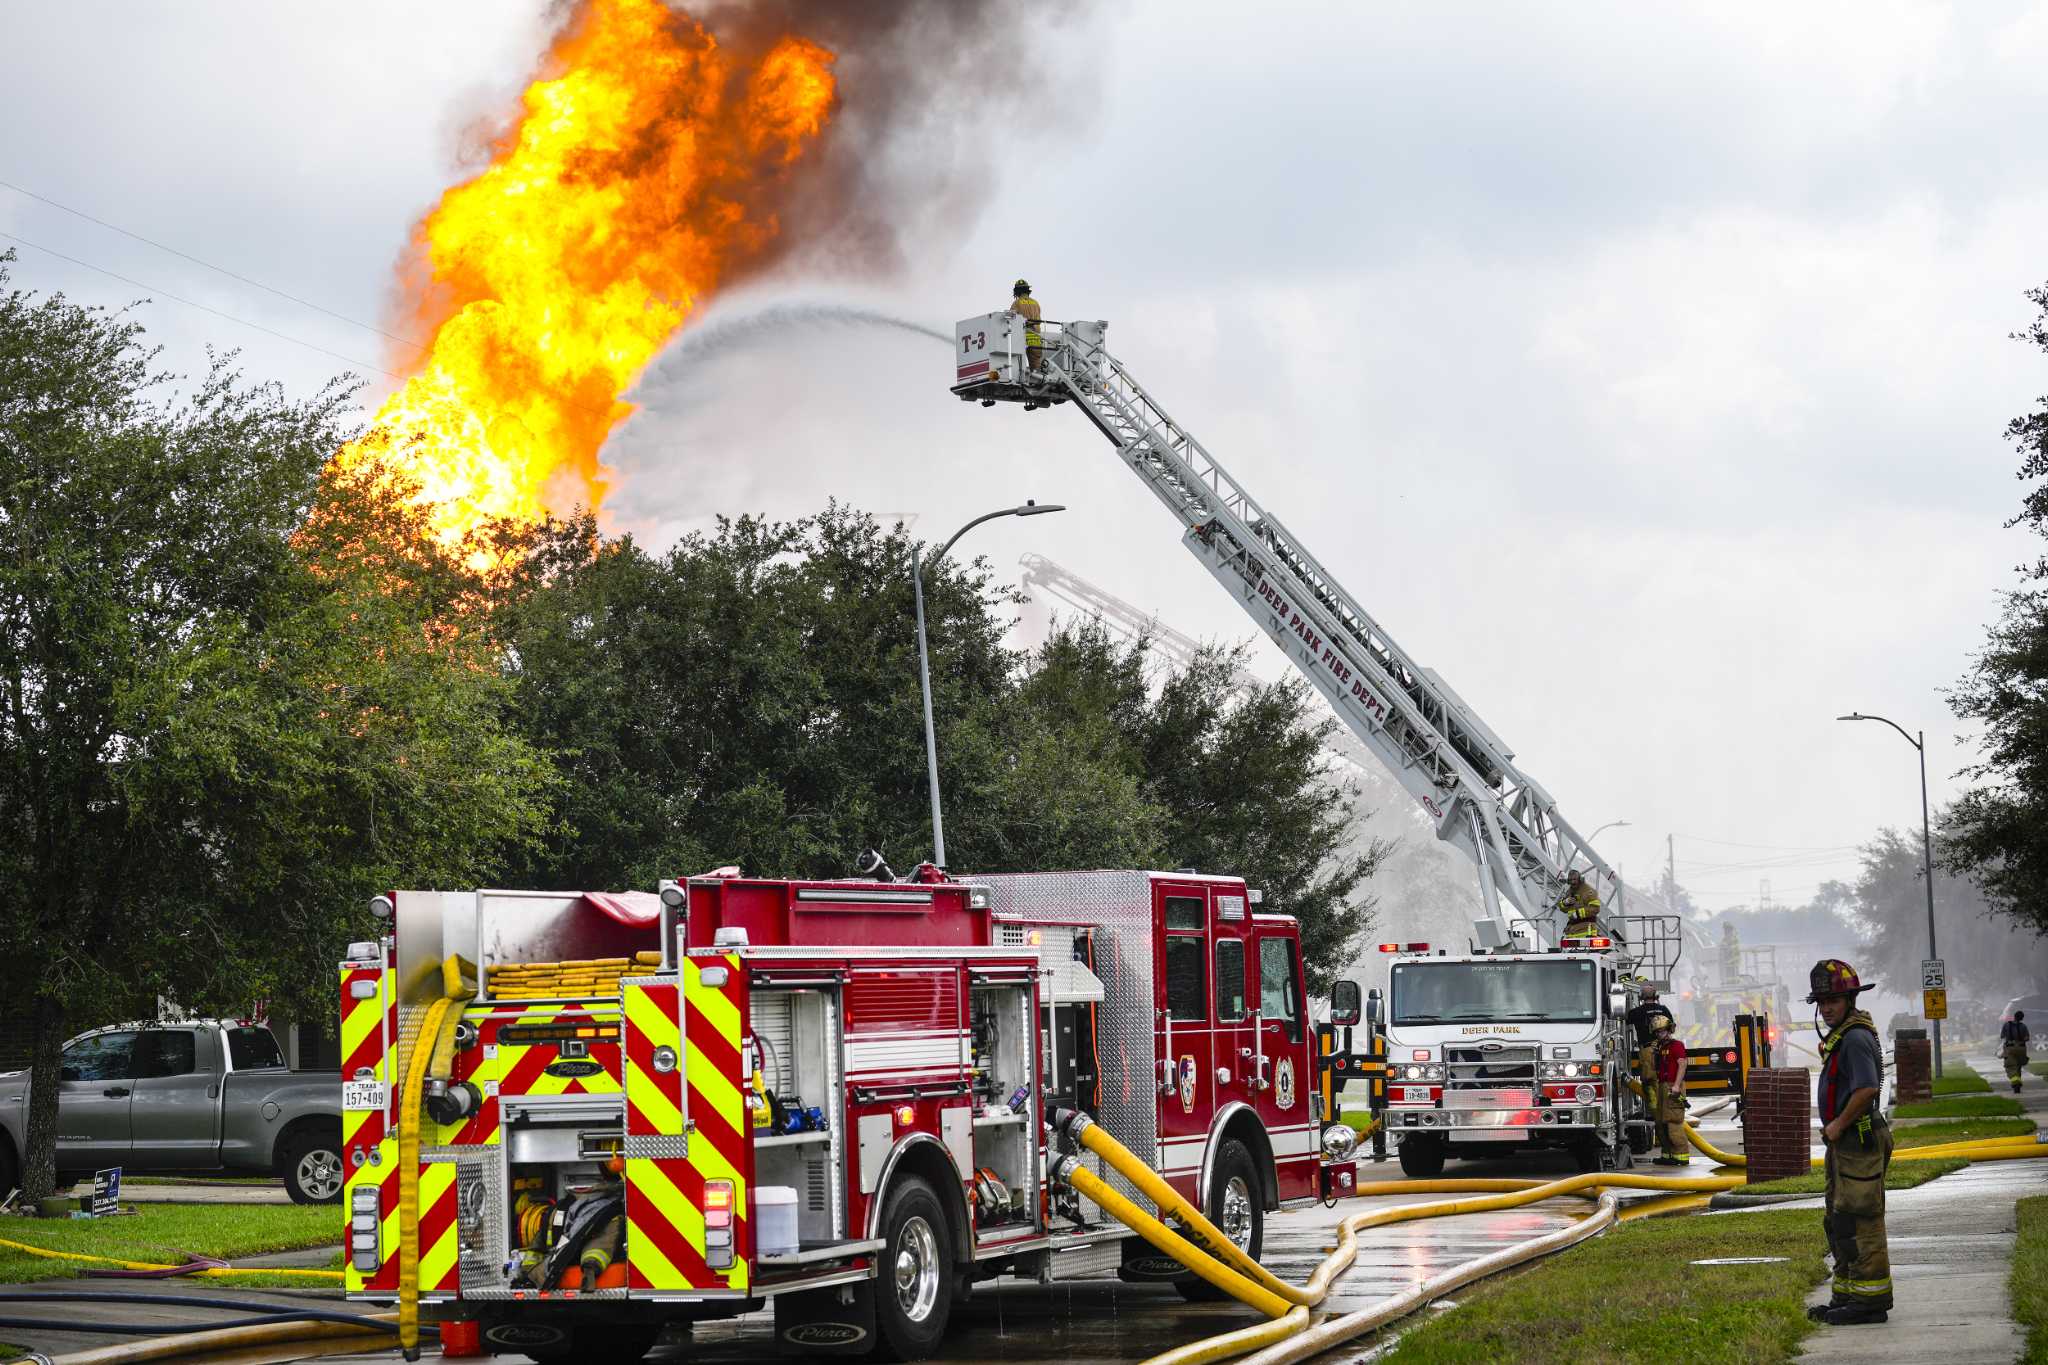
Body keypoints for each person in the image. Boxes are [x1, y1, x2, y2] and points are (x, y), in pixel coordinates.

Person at [1805, 958, 1892, 1327]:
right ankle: (1846, 1296)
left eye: (1834, 1001)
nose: (1826, 1009)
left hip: (1857, 1139)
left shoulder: (1854, 1038)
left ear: (1850, 1000)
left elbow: (1867, 1088)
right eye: (1822, 1003)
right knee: (1840, 1220)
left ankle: (1870, 1303)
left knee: (1860, 1221)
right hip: (1846, 1143)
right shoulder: (1844, 1035)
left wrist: (1838, 1125)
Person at [1647, 1010, 1689, 1165]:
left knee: (1673, 1122)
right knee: (1661, 1122)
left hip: (1673, 1086)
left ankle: (1681, 1156)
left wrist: (1677, 1085)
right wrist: (1654, 1053)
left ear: (1669, 1030)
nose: (1659, 1034)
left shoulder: (1677, 1045)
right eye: (1657, 1032)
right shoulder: (1659, 1048)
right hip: (1662, 1085)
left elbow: (1682, 1065)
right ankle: (1667, 1155)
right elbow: (1654, 1068)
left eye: (1662, 1031)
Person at [1007, 279, 1045, 377]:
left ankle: (1022, 377)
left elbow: (1011, 318)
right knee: (1036, 365)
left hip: (1022, 336)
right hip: (1036, 336)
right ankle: (1037, 378)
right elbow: (1039, 319)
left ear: (1017, 291)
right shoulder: (1035, 303)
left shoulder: (1017, 303)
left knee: (1019, 361)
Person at [1556, 869, 1601, 941]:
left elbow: (1595, 909)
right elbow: (1562, 908)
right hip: (1572, 931)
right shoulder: (1569, 892)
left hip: (1586, 931)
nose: (1572, 882)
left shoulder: (1589, 891)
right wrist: (1565, 902)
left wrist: (1577, 914)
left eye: (1574, 879)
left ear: (1580, 879)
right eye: (1570, 880)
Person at [2002, 1010, 2032, 1094]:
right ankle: (2017, 1085)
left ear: (2014, 1016)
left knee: (2011, 1067)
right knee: (2018, 1066)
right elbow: (2027, 1038)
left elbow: (2002, 1036)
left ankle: (2016, 1083)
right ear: (2022, 1018)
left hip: (2010, 1048)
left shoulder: (2006, 1025)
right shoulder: (2023, 1026)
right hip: (2021, 1048)